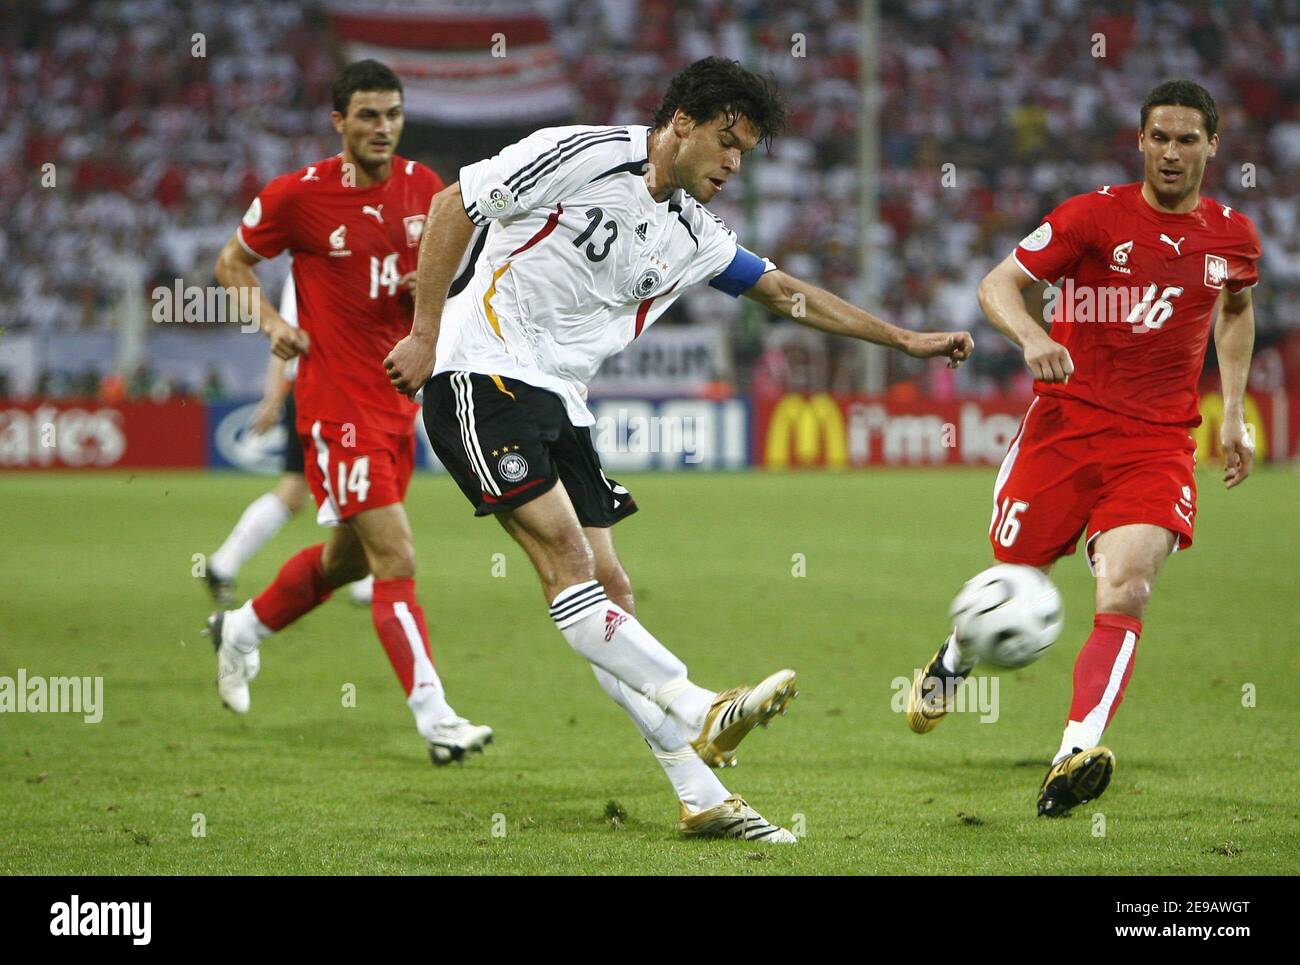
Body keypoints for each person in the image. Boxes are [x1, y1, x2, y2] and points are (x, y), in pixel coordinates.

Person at [385, 58, 973, 838]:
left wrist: (901, 339)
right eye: (727, 142)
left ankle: (699, 794)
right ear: (682, 123)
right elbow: (453, 201)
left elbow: (784, 292)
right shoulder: (587, 152)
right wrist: (425, 333)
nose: (734, 164)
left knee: (610, 591)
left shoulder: (693, 231)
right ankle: (700, 704)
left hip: (562, 400)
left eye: (747, 153)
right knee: (567, 561)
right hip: (479, 372)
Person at [906, 80, 1261, 816]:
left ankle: (1075, 749)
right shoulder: (1093, 216)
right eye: (1159, 137)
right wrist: (1034, 336)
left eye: (1187, 139)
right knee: (1017, 578)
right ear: (1139, 141)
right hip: (1065, 430)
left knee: (1128, 586)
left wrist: (1230, 410)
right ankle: (955, 659)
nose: (1171, 152)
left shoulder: (1232, 237)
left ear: (1213, 145)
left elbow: (1235, 309)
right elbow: (999, 284)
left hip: (1158, 441)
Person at [207, 59, 493, 765]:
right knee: (396, 555)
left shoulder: (426, 189)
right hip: (335, 407)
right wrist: (270, 320)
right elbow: (230, 265)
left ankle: (241, 628)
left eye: (392, 114)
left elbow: (442, 288)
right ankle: (438, 719)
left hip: (398, 405)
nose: (382, 128)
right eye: (367, 115)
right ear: (339, 122)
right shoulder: (297, 196)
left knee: (345, 560)